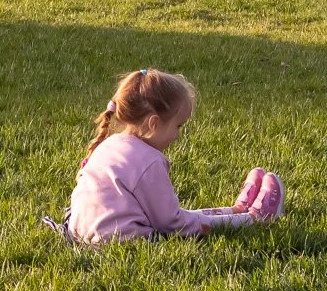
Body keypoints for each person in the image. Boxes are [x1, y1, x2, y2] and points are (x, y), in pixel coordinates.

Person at [64, 69, 284, 245]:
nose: (178, 135)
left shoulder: (109, 144)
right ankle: (253, 219)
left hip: (80, 234)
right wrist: (223, 225)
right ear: (154, 124)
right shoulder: (149, 161)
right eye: (177, 126)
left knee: (185, 217)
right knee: (184, 224)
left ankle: (235, 211)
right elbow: (171, 222)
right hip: (124, 241)